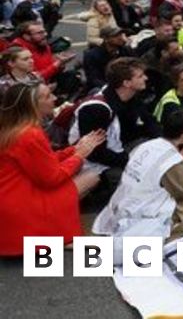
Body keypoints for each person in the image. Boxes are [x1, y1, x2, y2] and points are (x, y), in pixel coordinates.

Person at [93, 109, 183, 244]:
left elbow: (154, 171)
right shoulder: (171, 160)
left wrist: (181, 159)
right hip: (144, 218)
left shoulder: (144, 146)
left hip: (120, 208)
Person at [0, 82, 104, 255]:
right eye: (48, 96)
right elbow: (51, 178)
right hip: (20, 203)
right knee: (92, 176)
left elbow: (43, 161)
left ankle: (57, 230)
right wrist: (80, 155)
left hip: (10, 197)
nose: (55, 98)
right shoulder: (29, 134)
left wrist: (74, 150)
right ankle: (58, 234)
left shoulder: (14, 128)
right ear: (33, 104)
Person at [82, 27, 132, 91]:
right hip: (104, 88)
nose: (120, 38)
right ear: (106, 39)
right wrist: (111, 89)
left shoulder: (126, 50)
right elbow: (94, 79)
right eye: (115, 36)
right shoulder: (92, 55)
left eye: (121, 35)